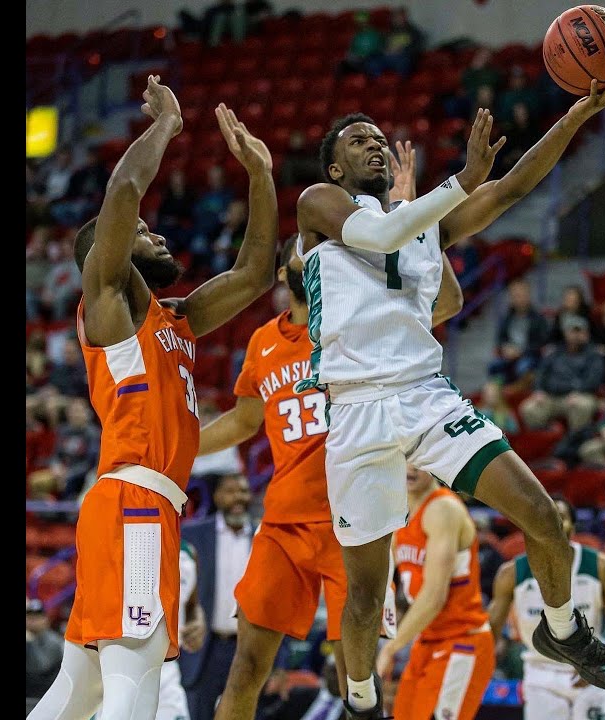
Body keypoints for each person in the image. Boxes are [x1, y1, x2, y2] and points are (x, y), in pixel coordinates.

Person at [291, 73, 605, 718]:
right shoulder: (319, 205)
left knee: (541, 515)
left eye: (379, 138)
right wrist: (454, 184)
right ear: (336, 165)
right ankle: (362, 703)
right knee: (365, 595)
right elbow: (377, 238)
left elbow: (513, 188)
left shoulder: (423, 224)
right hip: (356, 410)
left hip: (426, 397)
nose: (373, 144)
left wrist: (578, 114)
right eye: (358, 140)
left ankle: (560, 628)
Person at [28, 79, 278, 720]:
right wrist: (165, 124)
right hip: (135, 504)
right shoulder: (109, 306)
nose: (157, 236)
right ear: (109, 255)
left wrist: (260, 177)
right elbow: (123, 191)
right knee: (135, 686)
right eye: (140, 233)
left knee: (78, 692)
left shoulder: (177, 320)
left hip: (139, 507)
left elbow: (253, 275)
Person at [192, 145, 462, 720]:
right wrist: (175, 448)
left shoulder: (359, 317)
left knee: (355, 674)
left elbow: (447, 301)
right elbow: (244, 421)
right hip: (285, 521)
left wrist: (410, 213)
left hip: (354, 518)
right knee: (247, 669)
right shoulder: (263, 341)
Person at [487, 494, 605, 720]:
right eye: (545, 517)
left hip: (589, 670)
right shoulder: (511, 573)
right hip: (540, 674)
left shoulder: (601, 567)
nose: (551, 523)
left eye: (560, 517)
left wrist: (600, 666)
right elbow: (491, 632)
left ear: (573, 527)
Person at [376, 465, 497, 720]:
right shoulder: (400, 511)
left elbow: (434, 597)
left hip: (462, 639)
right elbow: (383, 581)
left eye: (420, 461)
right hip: (427, 641)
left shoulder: (443, 509)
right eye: (405, 458)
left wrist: (390, 648)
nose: (410, 468)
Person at [179, 473, 256, 720]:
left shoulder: (263, 537)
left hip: (249, 647)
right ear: (216, 497)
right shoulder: (193, 535)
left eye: (243, 491)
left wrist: (279, 663)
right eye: (231, 491)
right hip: (205, 648)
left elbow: (278, 602)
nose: (238, 498)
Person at [157, 540, 208, 720]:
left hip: (166, 671)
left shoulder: (187, 552)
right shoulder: (118, 545)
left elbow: (191, 606)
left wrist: (197, 621)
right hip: (122, 668)